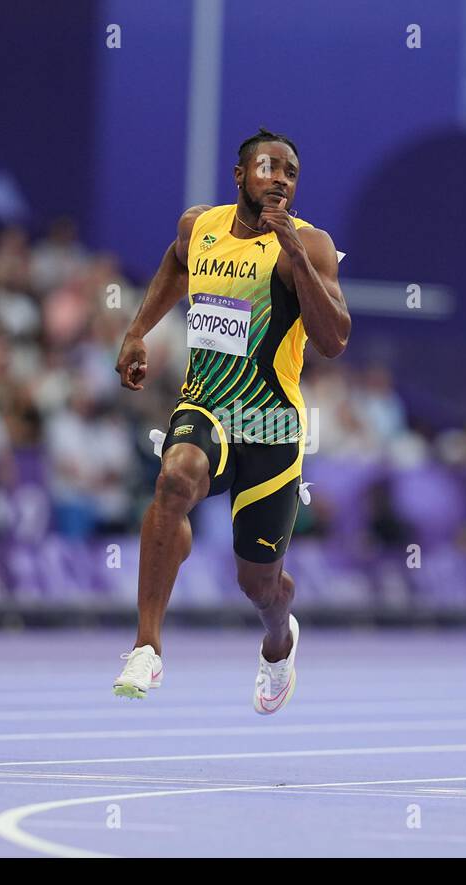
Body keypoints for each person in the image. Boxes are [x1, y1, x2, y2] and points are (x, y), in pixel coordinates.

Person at [112, 127, 350, 712]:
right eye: (269, 167)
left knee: (259, 584)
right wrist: (138, 330)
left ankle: (278, 639)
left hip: (270, 425)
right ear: (240, 176)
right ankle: (146, 646)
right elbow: (175, 264)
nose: (281, 179)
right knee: (174, 478)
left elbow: (335, 340)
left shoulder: (311, 244)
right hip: (207, 405)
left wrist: (293, 253)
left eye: (291, 172)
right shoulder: (200, 225)